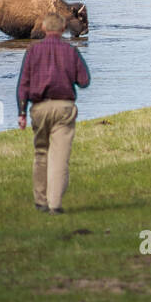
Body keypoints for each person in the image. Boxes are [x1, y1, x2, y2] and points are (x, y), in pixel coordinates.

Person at [16, 12, 91, 213]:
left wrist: (22, 112)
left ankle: (40, 202)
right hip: (64, 108)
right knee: (59, 157)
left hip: (39, 108)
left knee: (41, 153)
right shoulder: (71, 51)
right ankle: (55, 205)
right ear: (63, 29)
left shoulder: (32, 51)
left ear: (43, 28)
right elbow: (84, 81)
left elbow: (23, 84)